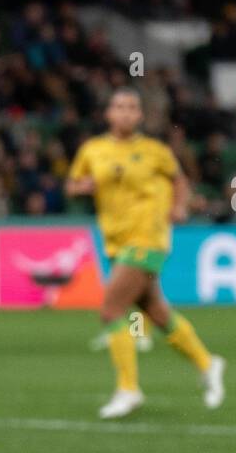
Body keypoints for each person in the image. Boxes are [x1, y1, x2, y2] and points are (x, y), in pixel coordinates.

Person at [67, 88, 225, 419]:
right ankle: (208, 364)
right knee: (156, 312)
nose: (125, 113)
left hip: (148, 238)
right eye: (119, 107)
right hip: (116, 242)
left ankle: (128, 389)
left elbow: (180, 182)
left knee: (111, 310)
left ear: (139, 116)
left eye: (131, 108)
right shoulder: (92, 150)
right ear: (108, 114)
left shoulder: (156, 152)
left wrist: (179, 206)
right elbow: (72, 184)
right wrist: (87, 186)